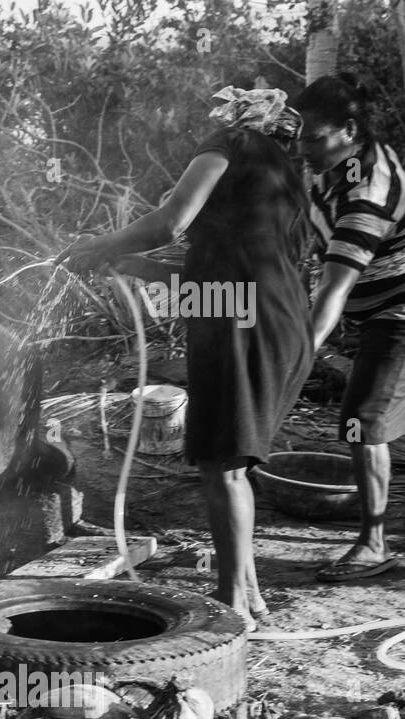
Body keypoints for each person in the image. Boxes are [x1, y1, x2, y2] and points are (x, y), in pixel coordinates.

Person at [59, 86, 313, 630]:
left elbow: (172, 221)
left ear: (236, 116)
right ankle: (248, 592)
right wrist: (133, 266)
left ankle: (228, 610)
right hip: (278, 322)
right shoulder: (285, 176)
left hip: (241, 325)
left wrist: (98, 246)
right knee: (232, 465)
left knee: (222, 467)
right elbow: (221, 275)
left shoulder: (229, 141)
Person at [295, 75, 405, 582]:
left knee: (362, 420)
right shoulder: (331, 170)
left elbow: (335, 289)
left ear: (350, 130)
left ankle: (374, 544)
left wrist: (298, 357)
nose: (304, 148)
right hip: (378, 313)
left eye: (314, 138)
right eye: (301, 136)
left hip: (399, 312)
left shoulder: (371, 189)